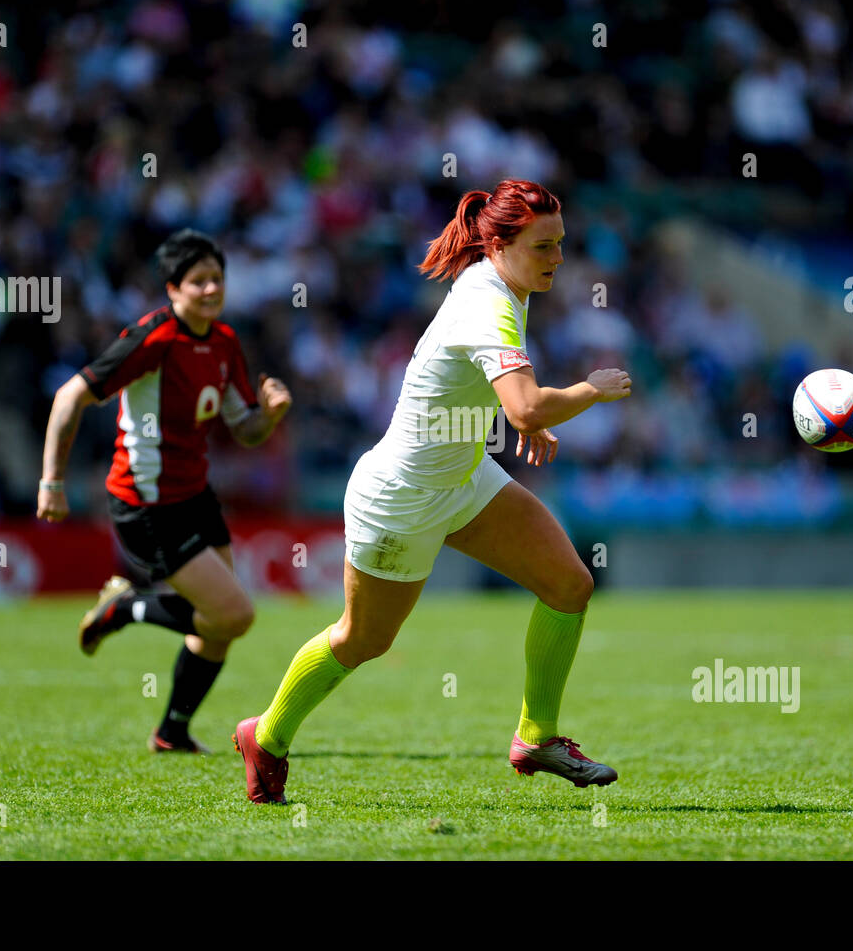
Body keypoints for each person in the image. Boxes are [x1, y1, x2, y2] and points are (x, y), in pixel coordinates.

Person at [233, 179, 632, 803]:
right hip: (402, 497)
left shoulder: (507, 284)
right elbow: (525, 408)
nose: (558, 258)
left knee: (570, 585)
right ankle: (267, 734)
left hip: (463, 477)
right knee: (363, 640)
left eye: (560, 243)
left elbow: (498, 399)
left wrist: (528, 418)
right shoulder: (489, 301)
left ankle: (537, 737)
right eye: (544, 246)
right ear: (498, 245)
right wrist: (589, 390)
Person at [37, 229, 292, 753]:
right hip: (146, 502)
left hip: (195, 496)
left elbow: (243, 429)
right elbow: (69, 397)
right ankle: (125, 606)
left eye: (216, 279)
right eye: (197, 281)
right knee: (235, 614)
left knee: (219, 625)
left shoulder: (222, 341)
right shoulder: (152, 339)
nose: (210, 289)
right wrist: (51, 483)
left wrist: (269, 416)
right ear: (172, 289)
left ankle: (172, 731)